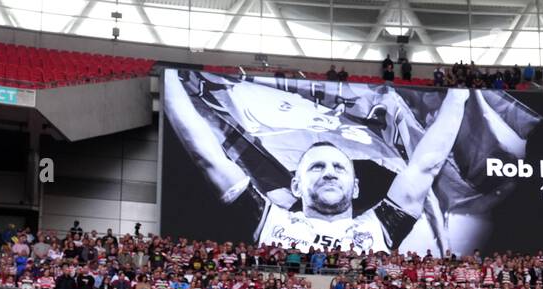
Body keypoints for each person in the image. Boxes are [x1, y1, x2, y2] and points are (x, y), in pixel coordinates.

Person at [164, 72, 470, 253]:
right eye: (316, 167)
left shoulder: (380, 227)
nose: (329, 174)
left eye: (339, 167)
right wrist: (168, 77)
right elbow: (206, 155)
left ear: (355, 188)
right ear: (296, 185)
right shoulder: (271, 221)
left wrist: (457, 98)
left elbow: (426, 163)